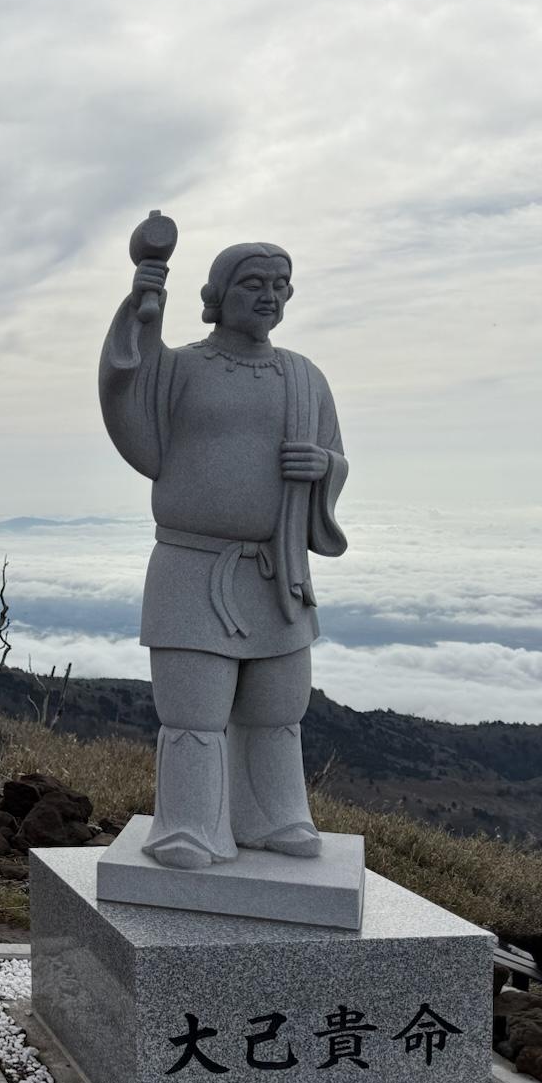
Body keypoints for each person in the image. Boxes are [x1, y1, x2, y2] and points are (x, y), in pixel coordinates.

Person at [99, 236, 348, 869]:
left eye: (280, 284)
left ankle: (273, 816)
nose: (269, 295)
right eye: (252, 283)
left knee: (277, 707)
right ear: (215, 296)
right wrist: (145, 292)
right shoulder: (181, 369)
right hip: (192, 565)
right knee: (193, 710)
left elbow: (336, 457)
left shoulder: (304, 376)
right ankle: (188, 826)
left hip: (276, 569)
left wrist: (323, 467)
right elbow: (129, 376)